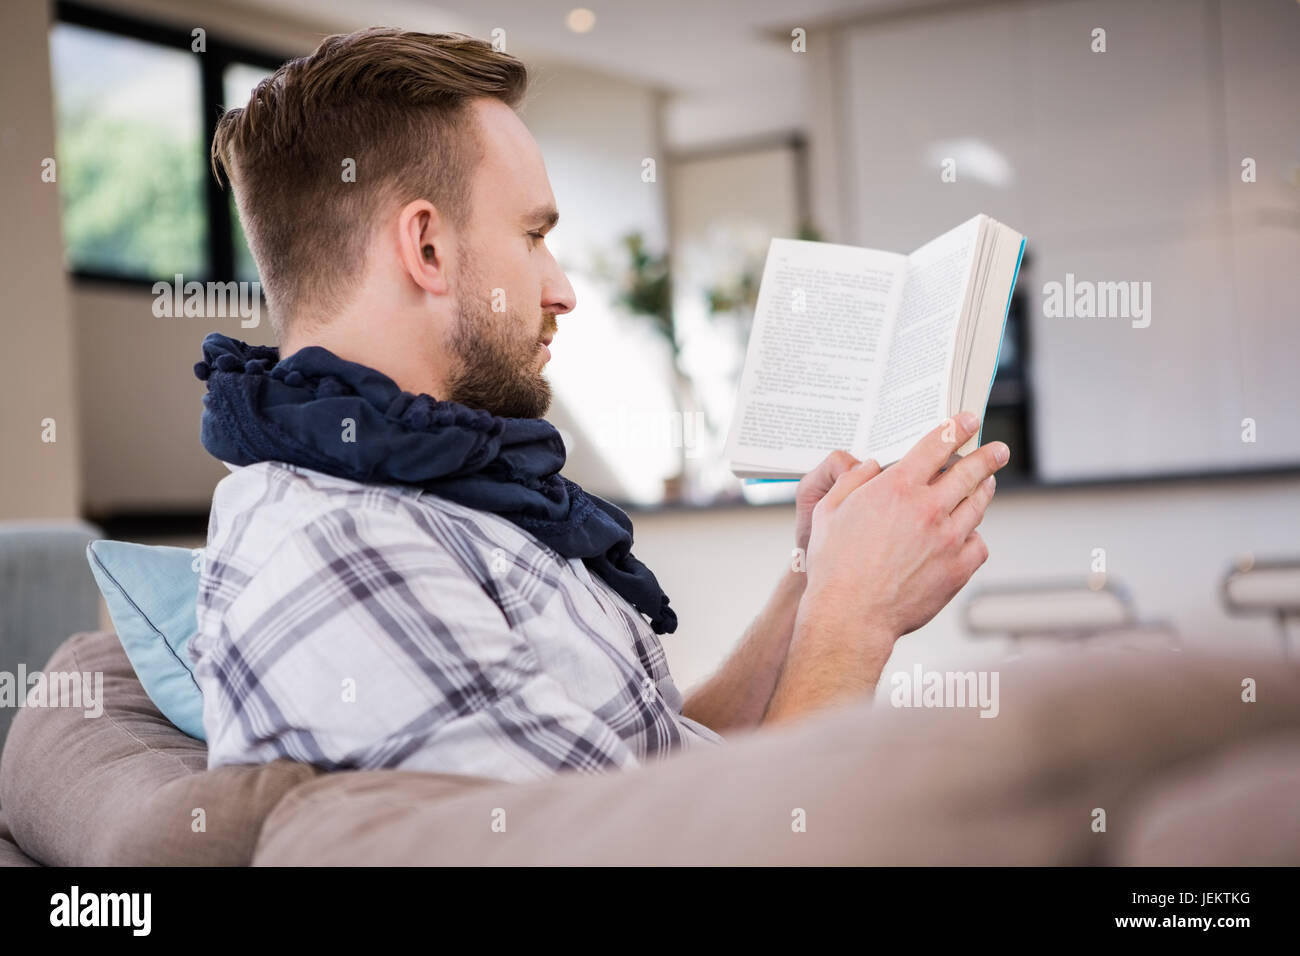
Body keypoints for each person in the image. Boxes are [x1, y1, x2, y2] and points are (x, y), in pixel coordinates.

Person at [189, 27, 1008, 784]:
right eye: (534, 235)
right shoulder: (342, 550)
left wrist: (815, 577)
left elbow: (652, 777)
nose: (564, 290)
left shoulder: (431, 496)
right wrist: (854, 615)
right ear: (427, 247)